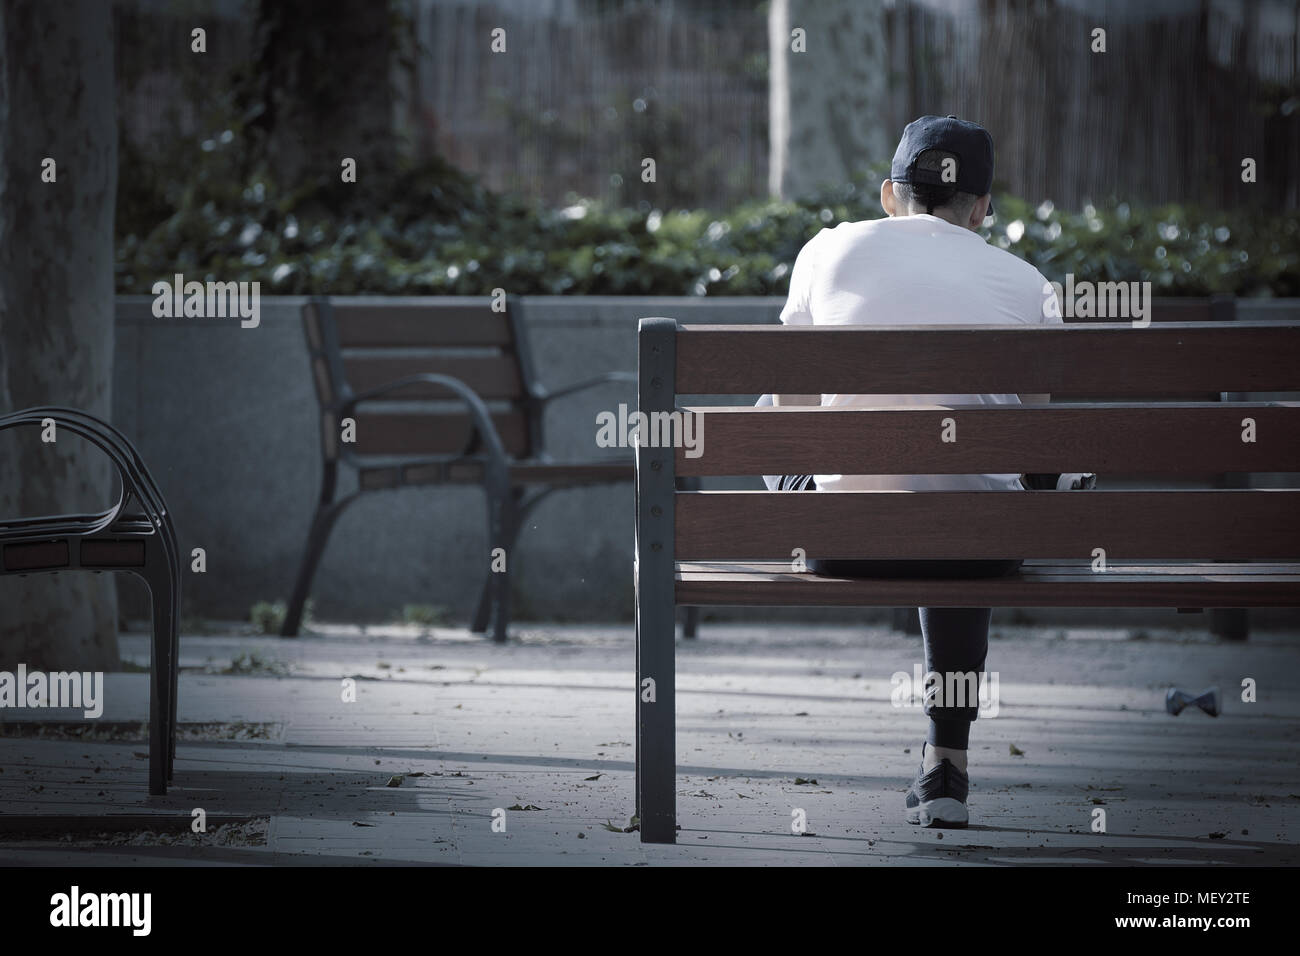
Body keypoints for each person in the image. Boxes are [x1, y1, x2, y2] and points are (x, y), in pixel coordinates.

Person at [762, 115, 1062, 828]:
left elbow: (791, 409)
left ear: (890, 195)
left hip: (839, 538)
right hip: (976, 545)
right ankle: (946, 767)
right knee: (969, 498)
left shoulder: (827, 251)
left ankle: (850, 496)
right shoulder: (1025, 283)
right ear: (983, 208)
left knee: (772, 411)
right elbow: (1042, 448)